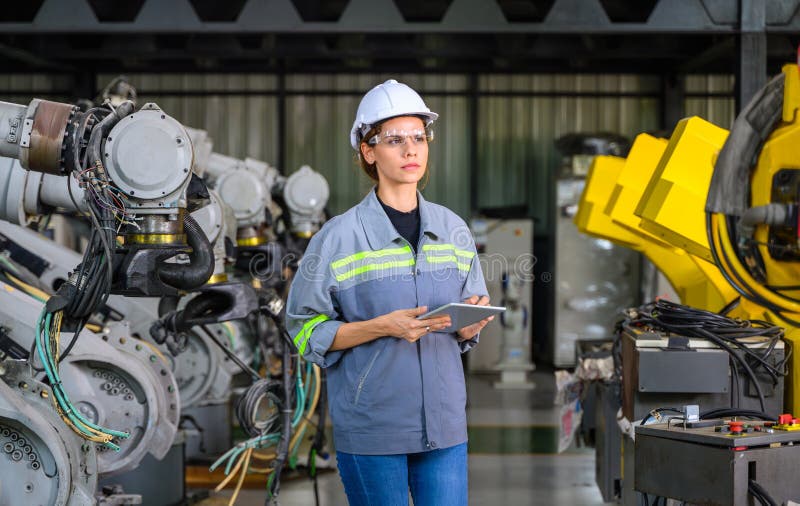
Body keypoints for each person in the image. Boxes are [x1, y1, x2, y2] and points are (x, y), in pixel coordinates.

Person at [285, 79, 492, 506]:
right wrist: (379, 328)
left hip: (446, 425)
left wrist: (472, 325)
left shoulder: (452, 228)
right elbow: (303, 329)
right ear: (368, 150)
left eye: (419, 138)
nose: (411, 150)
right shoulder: (337, 237)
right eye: (395, 140)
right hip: (372, 430)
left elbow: (471, 312)